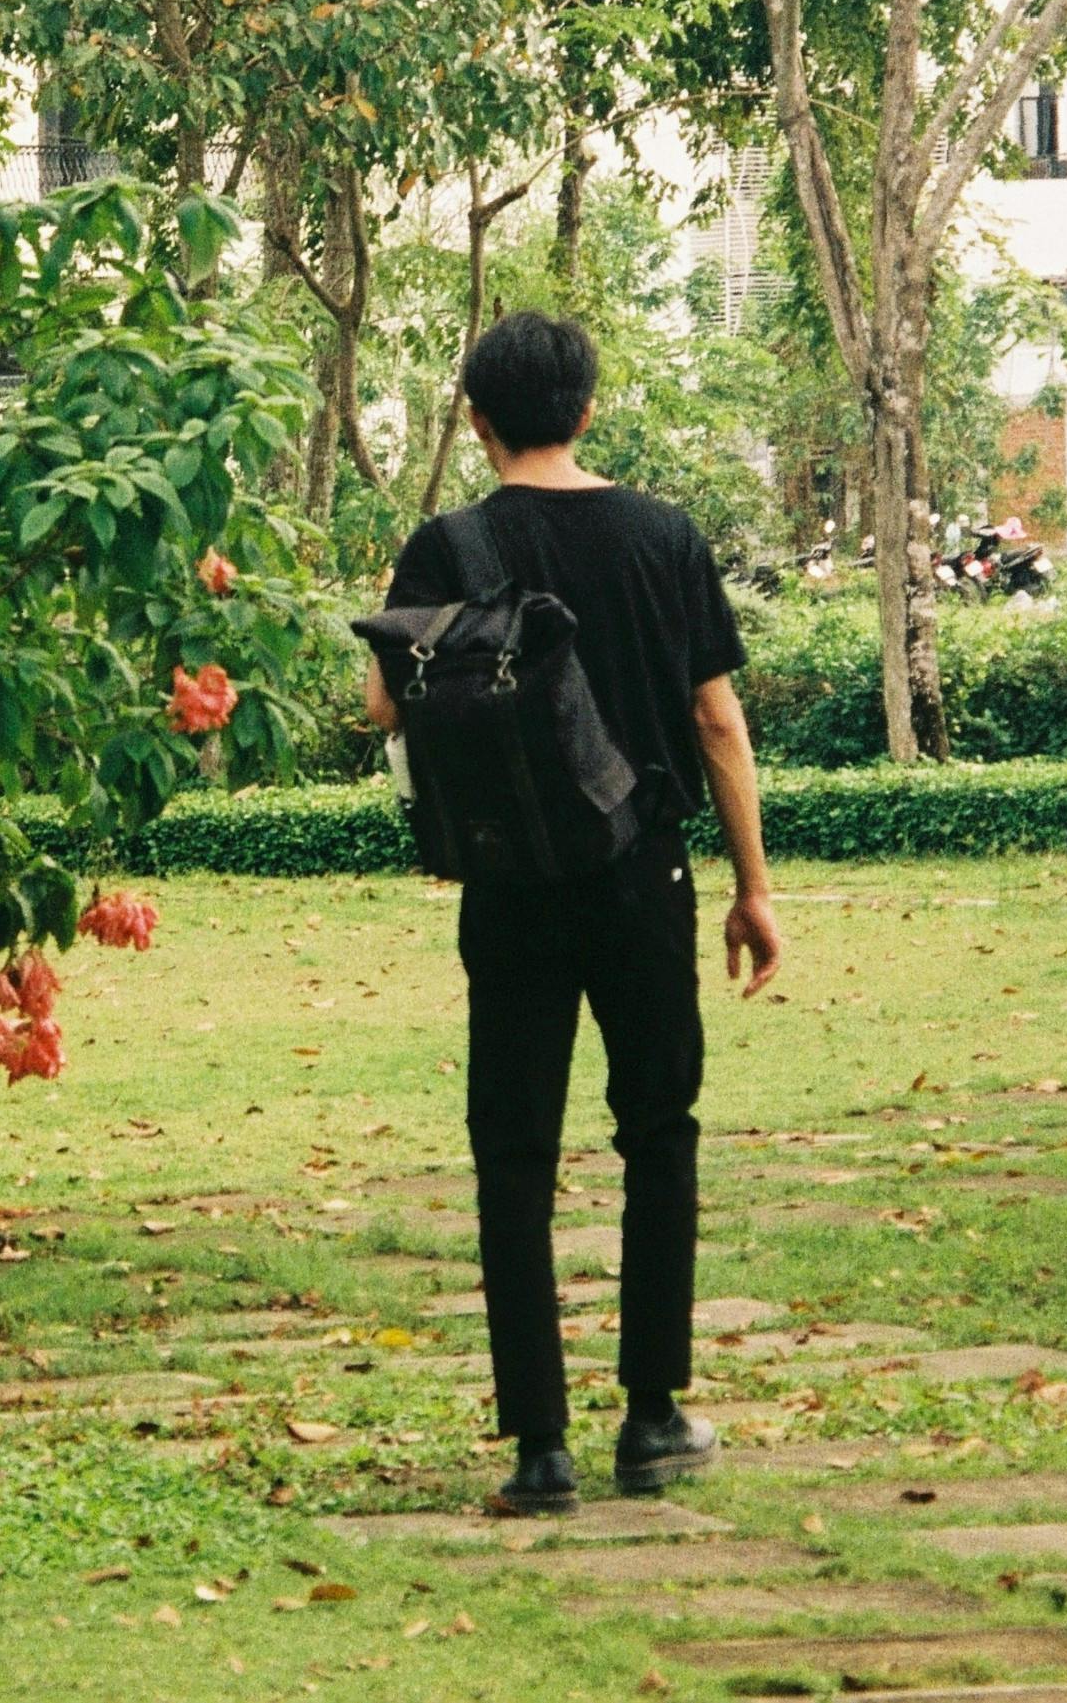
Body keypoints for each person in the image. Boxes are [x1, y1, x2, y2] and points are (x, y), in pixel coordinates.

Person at [364, 310, 782, 1517]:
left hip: (510, 882)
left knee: (514, 1154)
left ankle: (538, 1451)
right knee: (660, 1134)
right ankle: (652, 1418)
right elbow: (715, 723)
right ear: (588, 409)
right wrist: (753, 888)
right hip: (644, 874)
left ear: (478, 421)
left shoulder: (445, 544)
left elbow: (388, 711)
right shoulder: (665, 535)